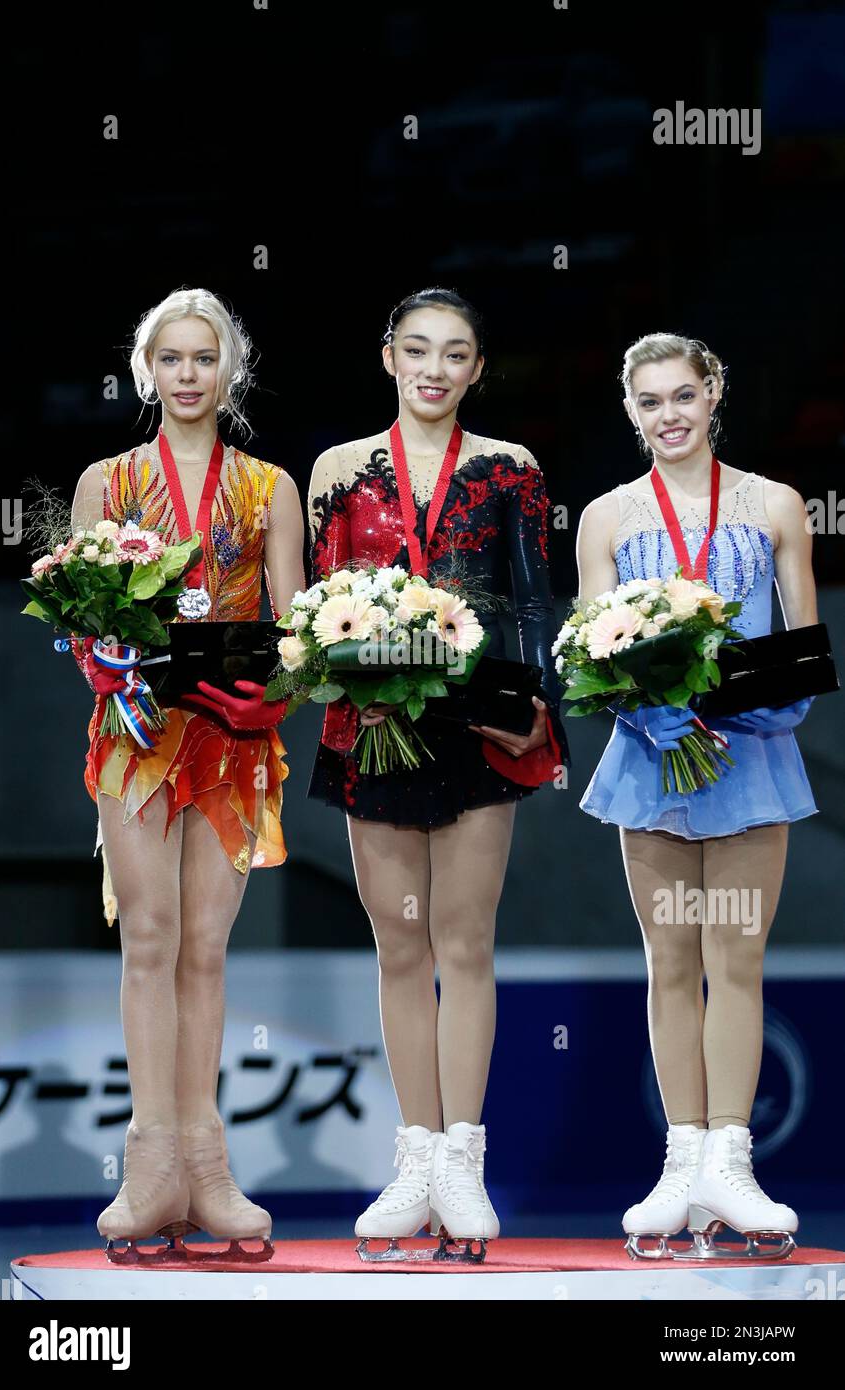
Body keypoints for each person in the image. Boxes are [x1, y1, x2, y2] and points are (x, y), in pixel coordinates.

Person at [306, 287, 568, 1259]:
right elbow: (318, 601)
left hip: (477, 728)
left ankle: (462, 1159)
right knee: (398, 948)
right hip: (371, 718)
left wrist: (533, 707)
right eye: (415, 349)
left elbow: (535, 604)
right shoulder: (338, 467)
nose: (432, 367)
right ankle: (412, 1156)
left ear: (475, 371)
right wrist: (348, 683)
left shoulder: (510, 468)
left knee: (463, 942)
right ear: (386, 357)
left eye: (453, 353)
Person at [70, 287, 305, 1259]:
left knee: (206, 948)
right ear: (146, 371)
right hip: (136, 732)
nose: (188, 374)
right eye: (171, 358)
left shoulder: (269, 487)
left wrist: (271, 690)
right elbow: (82, 615)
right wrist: (111, 666)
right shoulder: (107, 483)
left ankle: (205, 1165)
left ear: (230, 370)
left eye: (204, 357)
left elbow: (294, 623)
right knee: (150, 939)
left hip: (232, 739)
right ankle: (149, 1161)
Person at [576, 332, 817, 1259]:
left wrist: (771, 700)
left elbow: (804, 642)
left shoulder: (777, 505)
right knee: (671, 961)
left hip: (753, 762)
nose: (669, 416)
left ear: (714, 393)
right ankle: (682, 1166)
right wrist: (641, 715)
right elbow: (590, 652)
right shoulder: (604, 517)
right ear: (629, 409)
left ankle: (733, 1161)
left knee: (738, 960)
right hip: (652, 763)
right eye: (650, 402)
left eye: (684, 396)